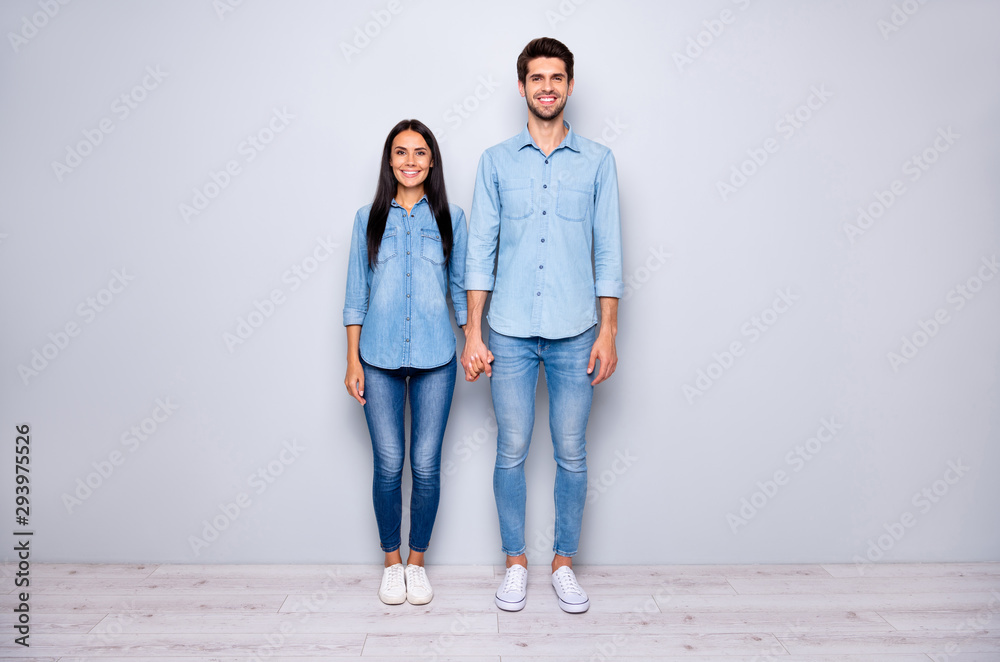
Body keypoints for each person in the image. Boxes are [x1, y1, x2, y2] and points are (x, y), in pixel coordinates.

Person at [461, 37, 623, 614]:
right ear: (523, 85)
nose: (547, 87)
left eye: (557, 77)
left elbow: (608, 253)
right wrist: (473, 332)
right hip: (506, 329)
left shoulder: (599, 162)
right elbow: (479, 250)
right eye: (537, 78)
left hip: (577, 329)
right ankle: (515, 565)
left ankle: (563, 563)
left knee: (572, 452)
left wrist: (608, 330)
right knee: (511, 449)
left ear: (570, 85)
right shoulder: (495, 162)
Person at [343, 119, 467, 606]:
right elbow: (357, 295)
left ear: (432, 161)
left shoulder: (451, 216)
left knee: (427, 464)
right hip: (377, 357)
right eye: (401, 153)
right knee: (390, 463)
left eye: (420, 153)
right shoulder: (367, 218)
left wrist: (473, 339)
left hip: (438, 356)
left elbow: (460, 290)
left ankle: (418, 564)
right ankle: (391, 563)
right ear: (389, 160)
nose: (410, 161)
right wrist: (353, 361)